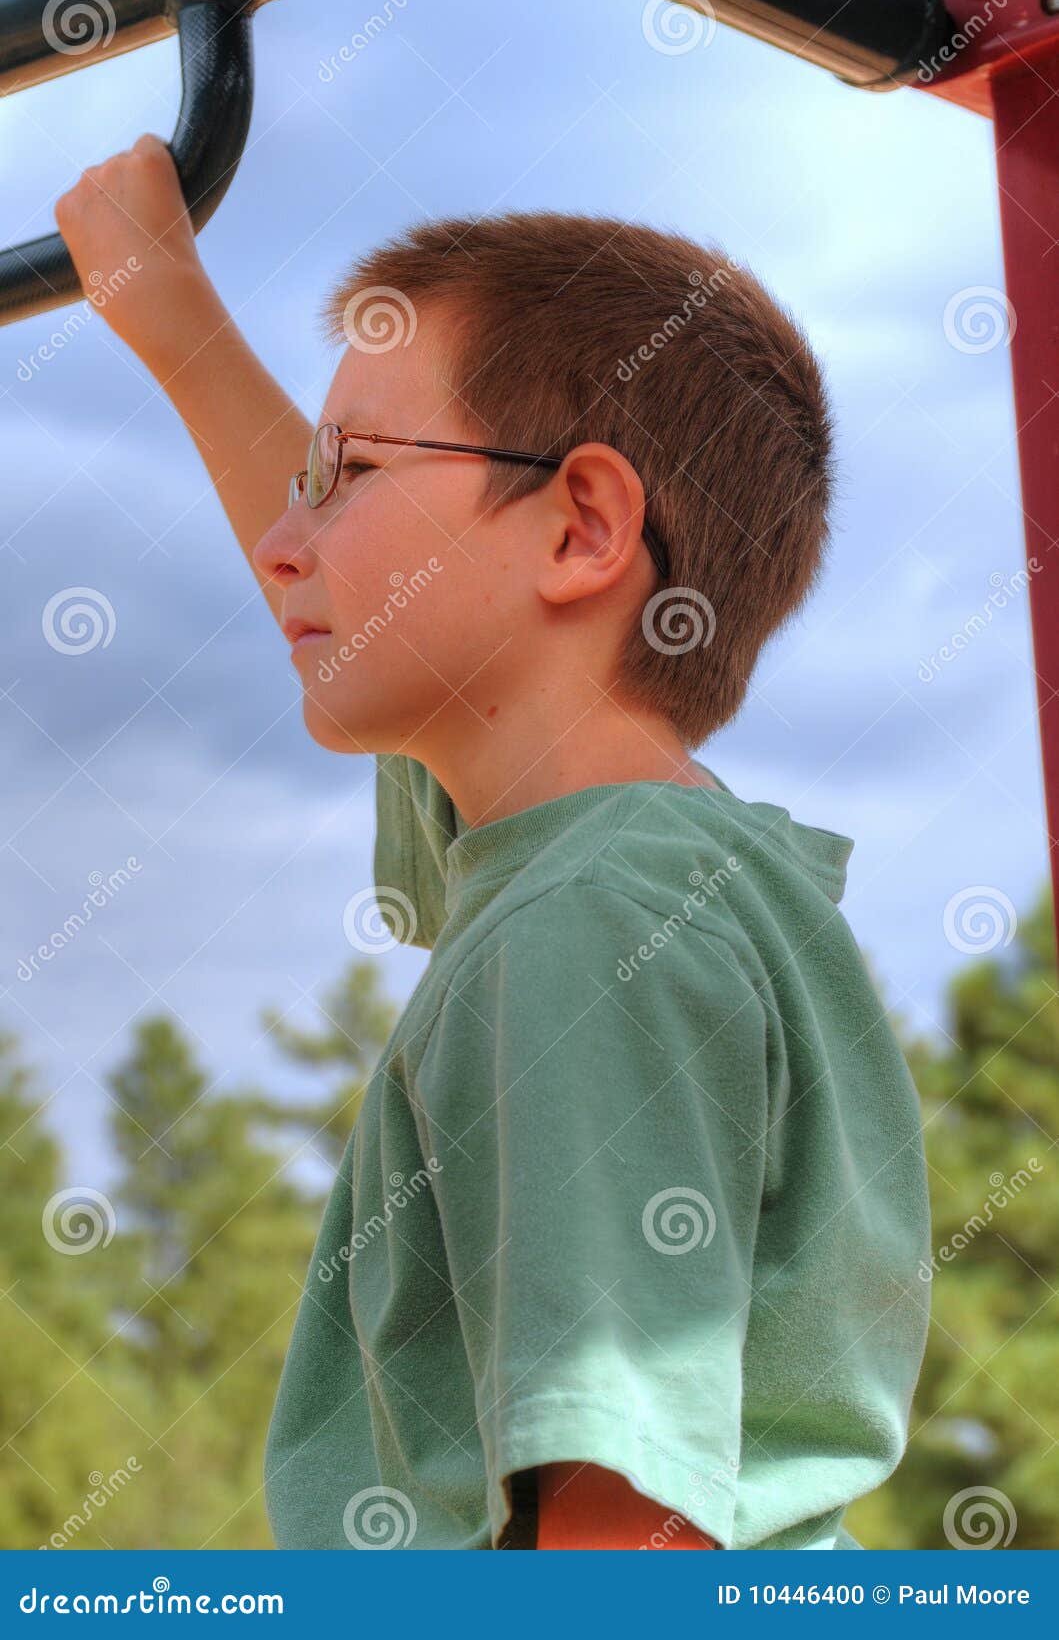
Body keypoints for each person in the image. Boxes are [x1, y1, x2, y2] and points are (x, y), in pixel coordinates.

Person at [54, 134, 930, 1551]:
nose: (284, 544)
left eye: (352, 469)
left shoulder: (585, 931)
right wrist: (168, 308)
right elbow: (355, 593)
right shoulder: (629, 866)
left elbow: (621, 1543)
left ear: (581, 528)